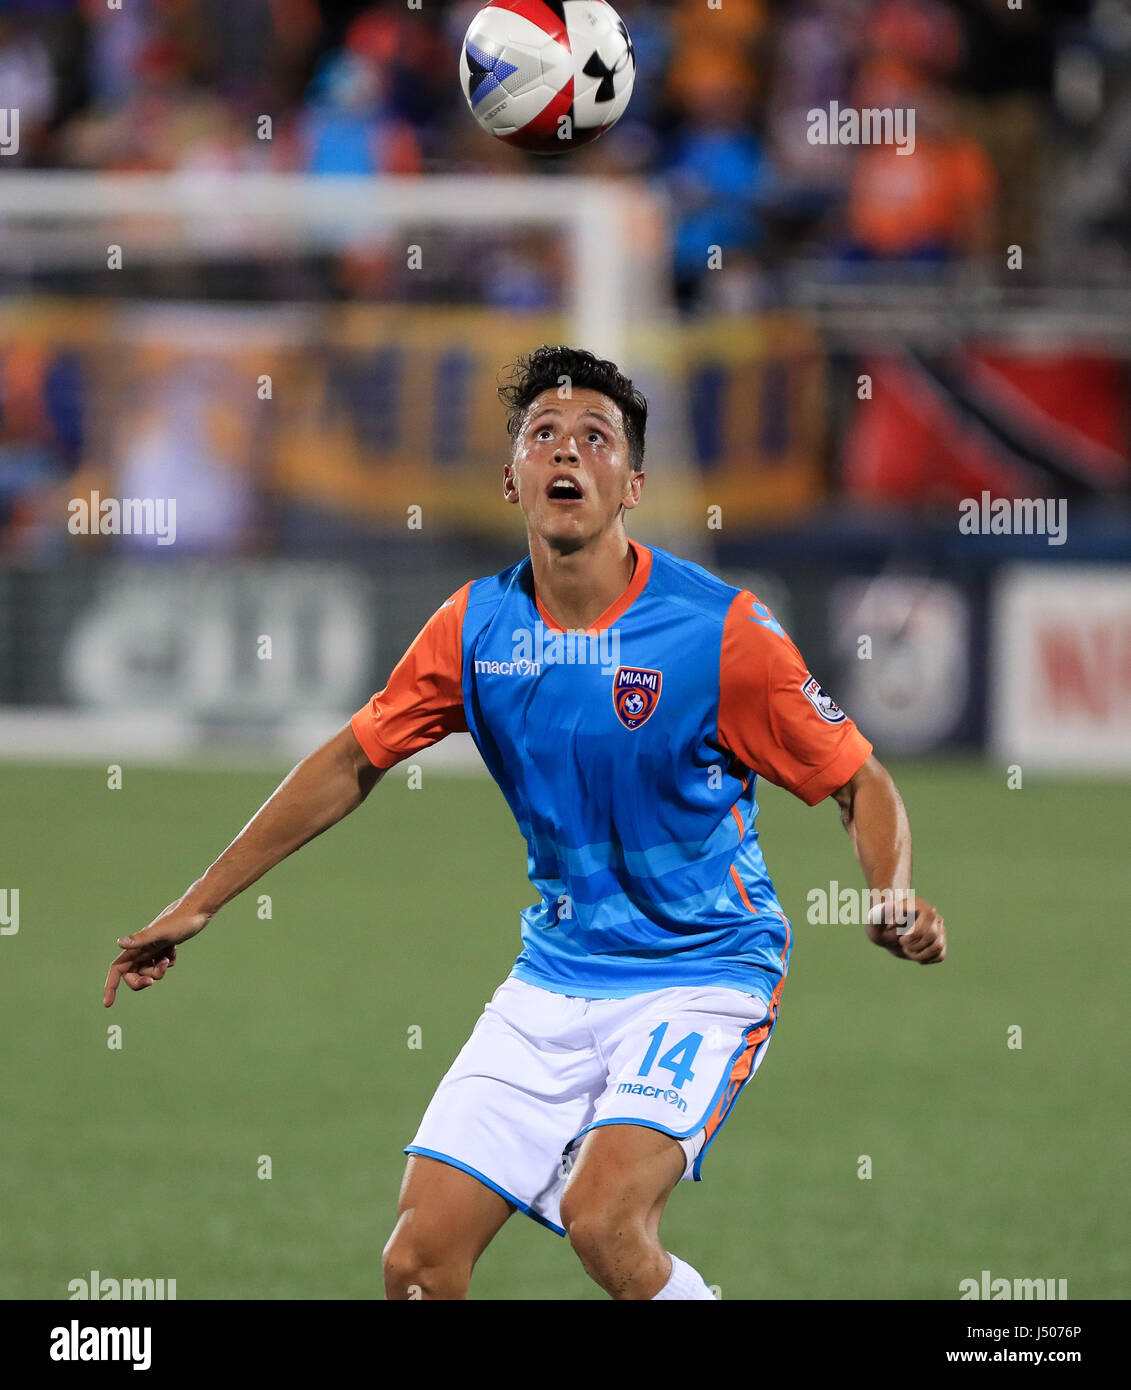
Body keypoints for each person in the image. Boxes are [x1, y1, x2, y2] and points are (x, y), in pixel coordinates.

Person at [103, 345, 946, 1301]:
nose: (568, 452)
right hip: (553, 977)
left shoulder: (720, 632)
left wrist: (889, 893)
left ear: (633, 482)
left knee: (604, 1222)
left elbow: (858, 778)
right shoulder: (474, 630)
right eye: (544, 434)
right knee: (417, 1266)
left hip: (701, 973)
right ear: (512, 480)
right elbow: (349, 761)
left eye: (597, 438)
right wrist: (199, 903)